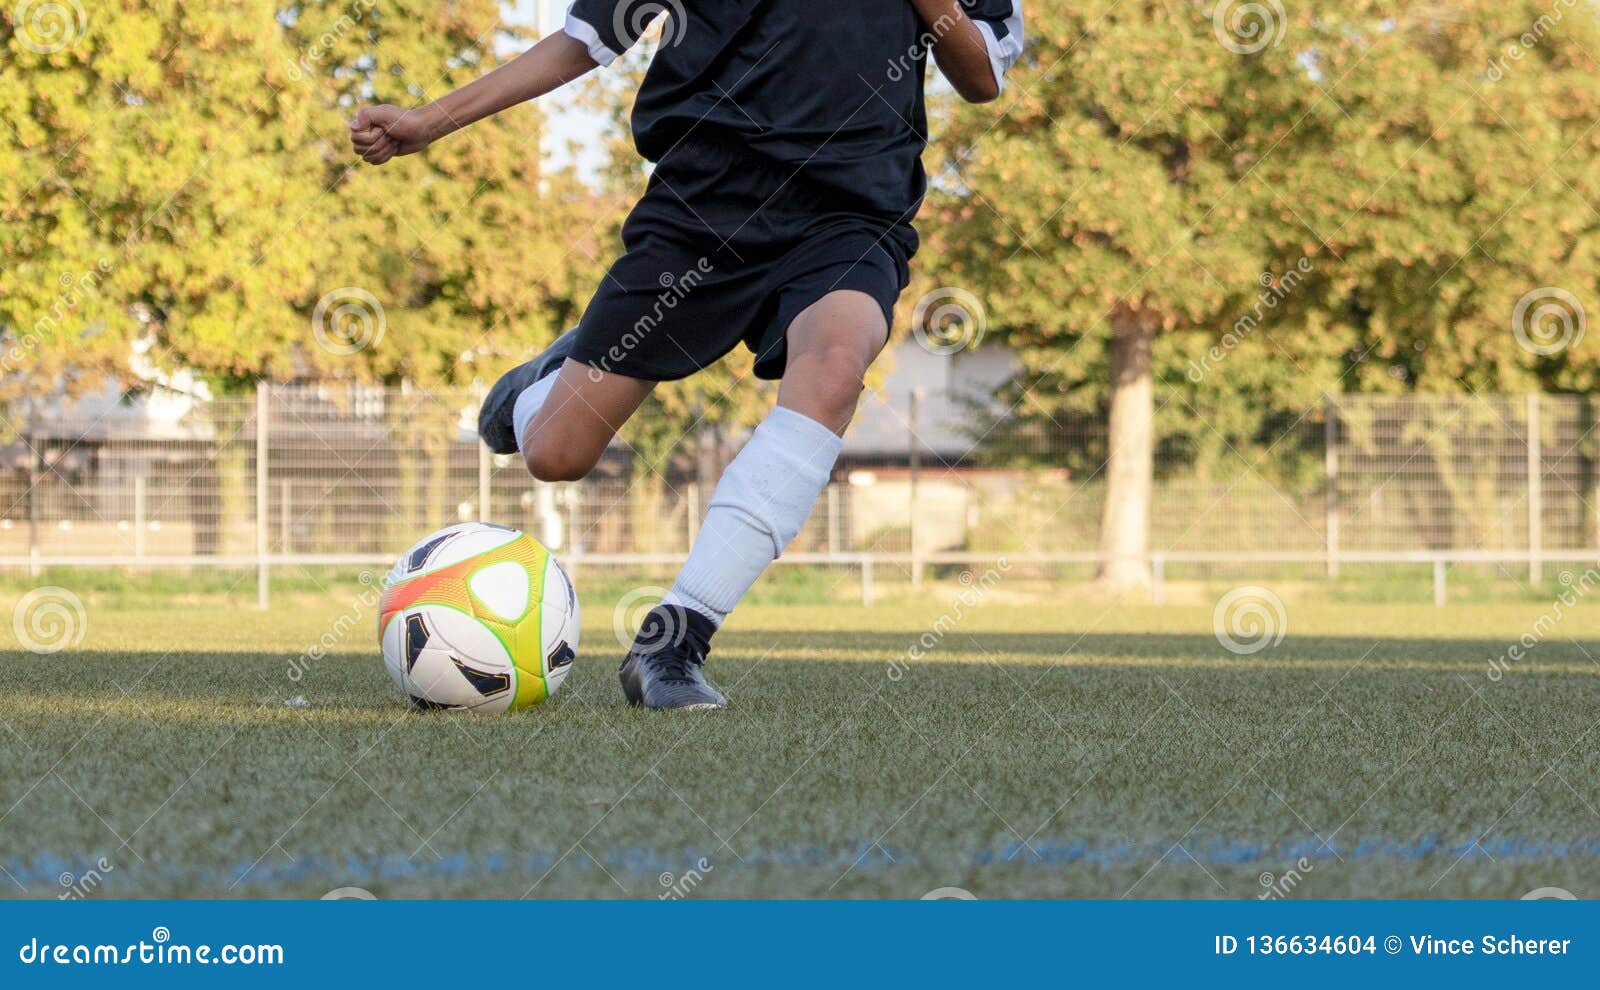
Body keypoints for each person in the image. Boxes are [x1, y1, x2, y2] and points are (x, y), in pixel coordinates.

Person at [349, 0, 1024, 710]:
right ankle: (534, 392)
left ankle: (674, 641)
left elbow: (981, 76)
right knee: (557, 455)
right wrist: (429, 120)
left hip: (850, 209)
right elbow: (582, 43)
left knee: (835, 369)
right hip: (703, 204)